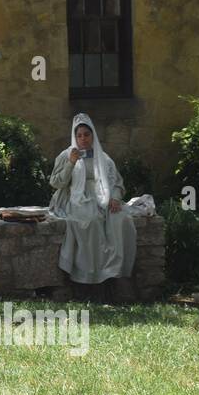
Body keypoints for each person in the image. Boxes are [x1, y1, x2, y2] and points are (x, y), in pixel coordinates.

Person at [48, 114, 137, 285]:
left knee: (122, 219)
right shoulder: (67, 155)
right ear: (75, 137)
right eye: (79, 135)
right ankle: (90, 275)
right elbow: (56, 183)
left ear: (93, 135)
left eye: (86, 134)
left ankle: (113, 271)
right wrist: (71, 163)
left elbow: (117, 183)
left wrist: (115, 198)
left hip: (103, 197)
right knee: (91, 221)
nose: (83, 139)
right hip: (75, 197)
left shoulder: (103, 158)